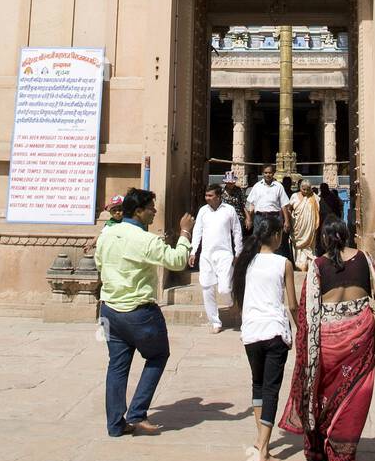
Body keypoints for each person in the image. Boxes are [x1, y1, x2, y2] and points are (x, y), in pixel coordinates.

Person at [280, 218, 375, 461]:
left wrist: (305, 343)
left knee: (325, 391)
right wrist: (372, 268)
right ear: (349, 234)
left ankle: (320, 444)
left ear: (325, 239)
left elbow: (308, 311)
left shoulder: (317, 266)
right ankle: (344, 458)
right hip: (359, 336)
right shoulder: (363, 258)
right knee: (355, 394)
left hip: (327, 338)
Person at [94, 188, 193, 437]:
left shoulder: (107, 234)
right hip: (138, 312)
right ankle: (137, 413)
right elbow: (177, 260)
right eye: (151, 208)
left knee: (117, 365)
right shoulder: (144, 240)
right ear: (138, 211)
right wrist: (185, 232)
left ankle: (115, 424)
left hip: (109, 310)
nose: (154, 211)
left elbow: (98, 263)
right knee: (158, 355)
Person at [232, 213, 298, 461]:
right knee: (271, 389)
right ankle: (263, 451)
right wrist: (301, 327)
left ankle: (261, 441)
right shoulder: (283, 263)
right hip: (274, 332)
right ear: (276, 236)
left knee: (258, 385)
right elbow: (292, 304)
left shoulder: (245, 263)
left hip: (251, 332)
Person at [189, 183, 243, 333]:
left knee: (225, 288)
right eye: (206, 195)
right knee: (207, 288)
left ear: (219, 196)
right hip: (206, 255)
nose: (207, 198)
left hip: (224, 254)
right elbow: (197, 232)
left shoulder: (229, 210)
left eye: (210, 196)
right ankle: (215, 322)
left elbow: (237, 231)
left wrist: (238, 252)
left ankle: (232, 303)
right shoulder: (203, 211)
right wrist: (193, 251)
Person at [246, 165, 292, 262]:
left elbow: (284, 205)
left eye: (270, 173)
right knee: (257, 240)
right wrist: (249, 219)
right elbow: (251, 204)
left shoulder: (279, 186)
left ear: (273, 173)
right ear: (263, 173)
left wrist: (286, 221)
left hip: (274, 217)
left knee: (275, 241)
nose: (268, 175)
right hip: (259, 217)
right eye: (266, 173)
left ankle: (275, 263)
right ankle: (256, 262)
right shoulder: (257, 186)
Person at [289, 180, 320, 270]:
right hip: (298, 228)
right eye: (304, 189)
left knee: (309, 248)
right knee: (298, 250)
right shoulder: (294, 196)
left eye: (308, 189)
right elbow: (289, 209)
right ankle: (299, 265)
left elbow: (317, 211)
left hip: (310, 229)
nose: (306, 192)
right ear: (300, 188)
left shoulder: (314, 197)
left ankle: (310, 267)